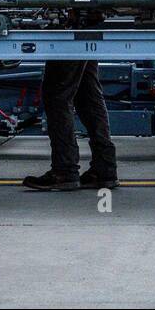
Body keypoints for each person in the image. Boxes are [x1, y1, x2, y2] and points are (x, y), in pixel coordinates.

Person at [22, 12, 118, 191]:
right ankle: (104, 169)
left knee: (57, 95)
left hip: (72, 24)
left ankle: (64, 170)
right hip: (87, 20)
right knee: (87, 95)